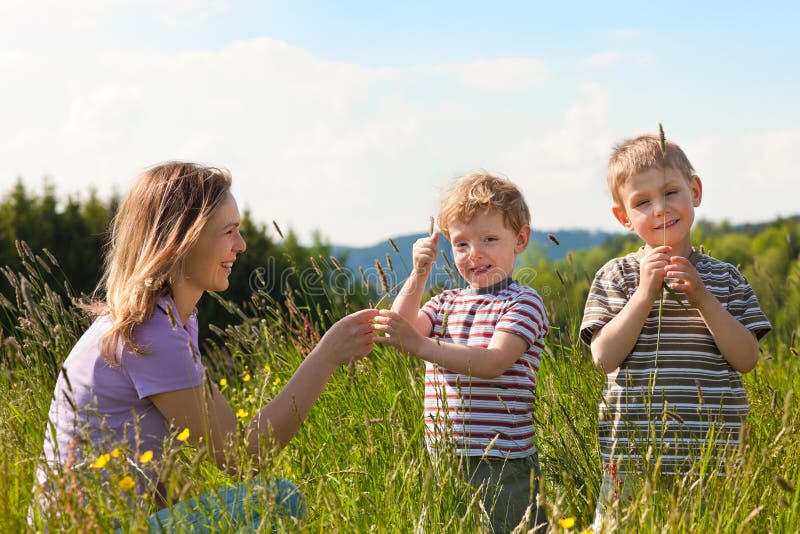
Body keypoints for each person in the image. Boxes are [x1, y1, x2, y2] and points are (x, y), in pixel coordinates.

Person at [33, 161, 378, 531]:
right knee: (281, 500)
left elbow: (158, 471)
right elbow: (243, 456)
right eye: (228, 231)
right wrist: (326, 356)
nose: (241, 246)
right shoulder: (153, 333)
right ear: (183, 239)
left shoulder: (161, 320)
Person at [580, 134, 772, 530]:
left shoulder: (725, 278)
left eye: (671, 192)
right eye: (642, 202)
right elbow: (604, 357)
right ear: (623, 217)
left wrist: (703, 298)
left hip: (715, 457)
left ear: (695, 191)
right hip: (632, 456)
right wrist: (645, 293)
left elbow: (747, 359)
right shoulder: (616, 275)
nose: (660, 209)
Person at [373, 172, 549, 533]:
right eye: (462, 243)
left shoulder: (523, 302)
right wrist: (420, 273)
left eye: (489, 239)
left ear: (520, 239)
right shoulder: (445, 302)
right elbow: (400, 326)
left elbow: (494, 361)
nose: (475, 253)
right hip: (444, 455)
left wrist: (421, 346)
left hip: (504, 460)